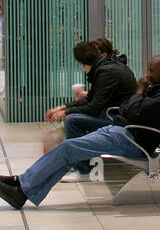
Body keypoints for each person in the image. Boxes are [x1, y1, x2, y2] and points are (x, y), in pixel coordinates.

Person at [0, 54, 160, 209]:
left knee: (68, 147)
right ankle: (23, 188)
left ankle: (22, 186)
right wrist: (138, 97)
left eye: (152, 70)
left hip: (133, 140)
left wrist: (139, 91)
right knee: (70, 150)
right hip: (123, 131)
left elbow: (134, 112)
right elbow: (128, 109)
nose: (147, 74)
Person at [44, 38, 137, 177]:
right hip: (115, 114)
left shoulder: (107, 72)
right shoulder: (106, 68)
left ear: (82, 64)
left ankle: (83, 170)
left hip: (118, 119)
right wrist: (62, 108)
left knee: (72, 120)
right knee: (71, 118)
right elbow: (90, 99)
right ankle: (76, 163)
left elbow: (93, 107)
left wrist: (66, 112)